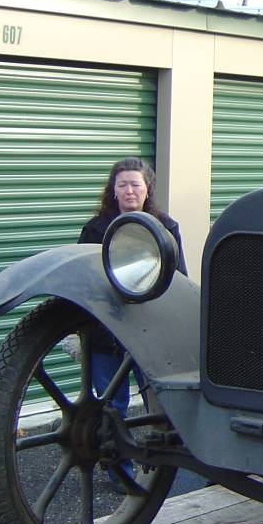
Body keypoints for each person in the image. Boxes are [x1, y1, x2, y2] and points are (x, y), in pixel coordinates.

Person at [77, 158, 185, 488]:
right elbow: (83, 281)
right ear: (112, 190)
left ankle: (166, 462)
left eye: (135, 184)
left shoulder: (165, 227)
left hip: (149, 333)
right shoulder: (95, 230)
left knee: (163, 398)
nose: (129, 190)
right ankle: (117, 468)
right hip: (105, 332)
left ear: (147, 188)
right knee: (113, 404)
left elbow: (179, 280)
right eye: (122, 184)